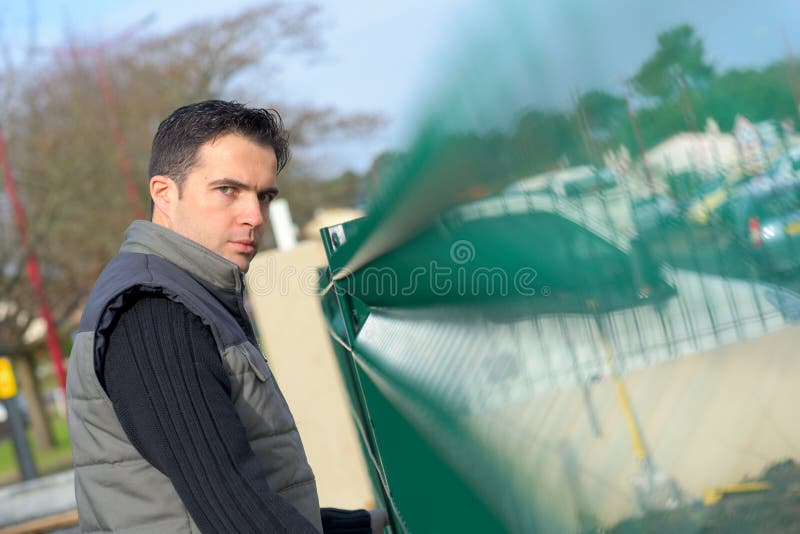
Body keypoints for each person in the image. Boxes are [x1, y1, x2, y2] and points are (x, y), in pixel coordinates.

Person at [66, 100, 388, 533]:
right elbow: (239, 518)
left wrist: (367, 526)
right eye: (228, 191)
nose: (254, 217)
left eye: (265, 196)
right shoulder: (155, 312)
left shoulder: (193, 298)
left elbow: (248, 497)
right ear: (164, 193)